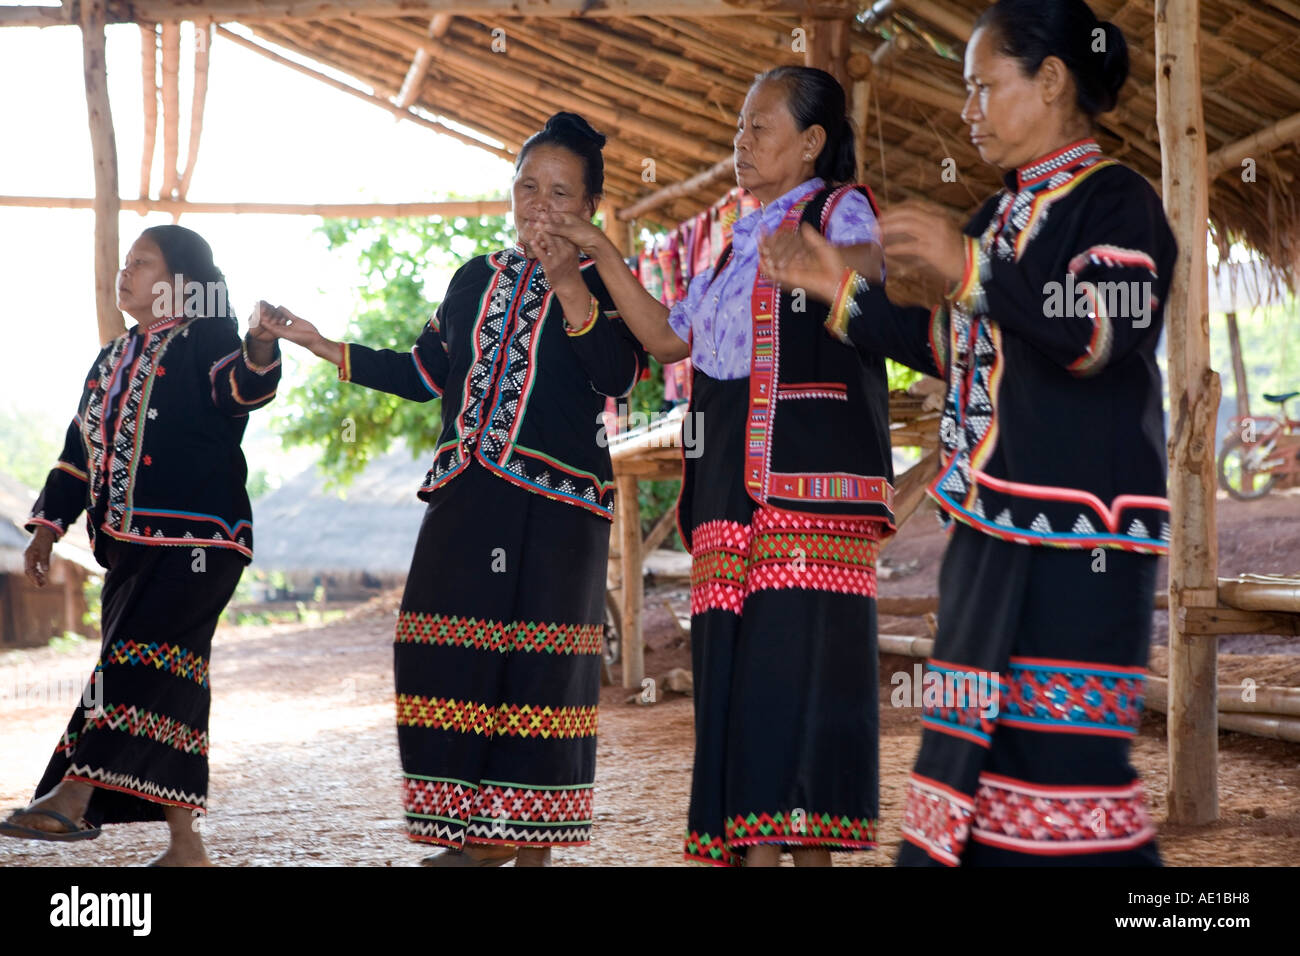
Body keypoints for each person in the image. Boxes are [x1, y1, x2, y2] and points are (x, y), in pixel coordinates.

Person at [759, 0, 1174, 865]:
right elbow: (956, 349)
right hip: (992, 533)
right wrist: (840, 290)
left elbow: (1099, 330)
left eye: (984, 88)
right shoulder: (997, 218)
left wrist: (970, 269)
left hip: (1080, 537)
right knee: (969, 768)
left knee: (1064, 774)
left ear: (1052, 82)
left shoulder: (1116, 203)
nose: (967, 111)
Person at [261, 112, 646, 867]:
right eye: (527, 187)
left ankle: (515, 844)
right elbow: (421, 373)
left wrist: (569, 277)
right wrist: (318, 342)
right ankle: (477, 832)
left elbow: (619, 376)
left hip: (559, 511)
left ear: (590, 209)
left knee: (539, 671)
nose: (539, 204)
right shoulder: (474, 277)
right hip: (466, 500)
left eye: (560, 193)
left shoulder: (608, 279)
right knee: (438, 650)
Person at [537, 67, 894, 867]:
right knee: (739, 678)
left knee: (797, 677)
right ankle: (759, 857)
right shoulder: (733, 243)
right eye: (738, 128)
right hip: (729, 483)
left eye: (759, 126)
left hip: (808, 485)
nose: (741, 142)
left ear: (811, 143)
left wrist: (817, 258)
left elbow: (873, 276)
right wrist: (595, 248)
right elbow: (668, 339)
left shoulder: (842, 210)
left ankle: (809, 858)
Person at [0, 225, 281, 866]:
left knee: (132, 661)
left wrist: (260, 345)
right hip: (127, 546)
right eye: (124, 262)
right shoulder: (109, 360)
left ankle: (72, 795)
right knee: (170, 675)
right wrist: (48, 527)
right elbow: (79, 454)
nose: (125, 271)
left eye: (142, 261)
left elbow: (241, 389)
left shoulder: (207, 338)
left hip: (198, 541)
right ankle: (186, 845)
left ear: (181, 282)